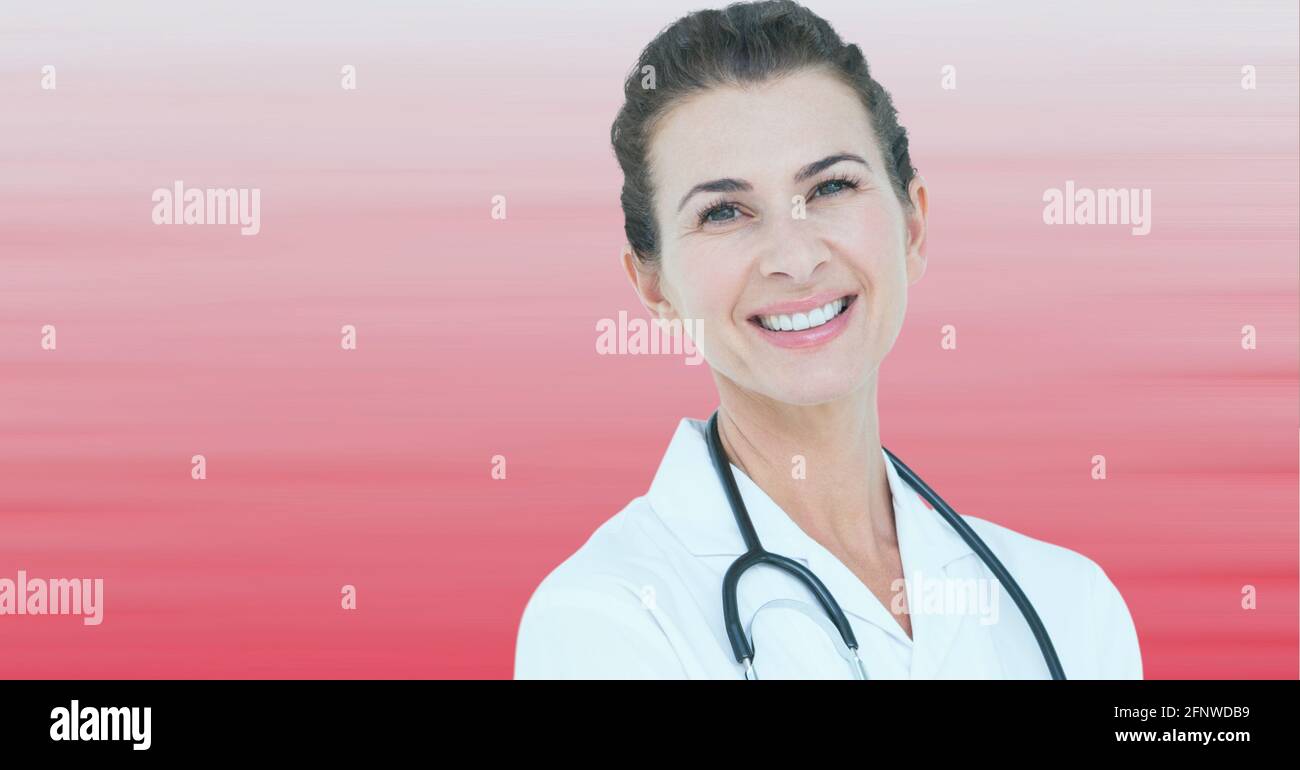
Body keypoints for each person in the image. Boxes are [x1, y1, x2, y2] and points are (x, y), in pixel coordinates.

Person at [514, 0, 1142, 679]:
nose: (796, 255)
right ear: (654, 287)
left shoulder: (1067, 609)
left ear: (913, 228)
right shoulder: (602, 622)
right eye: (724, 211)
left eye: (832, 186)